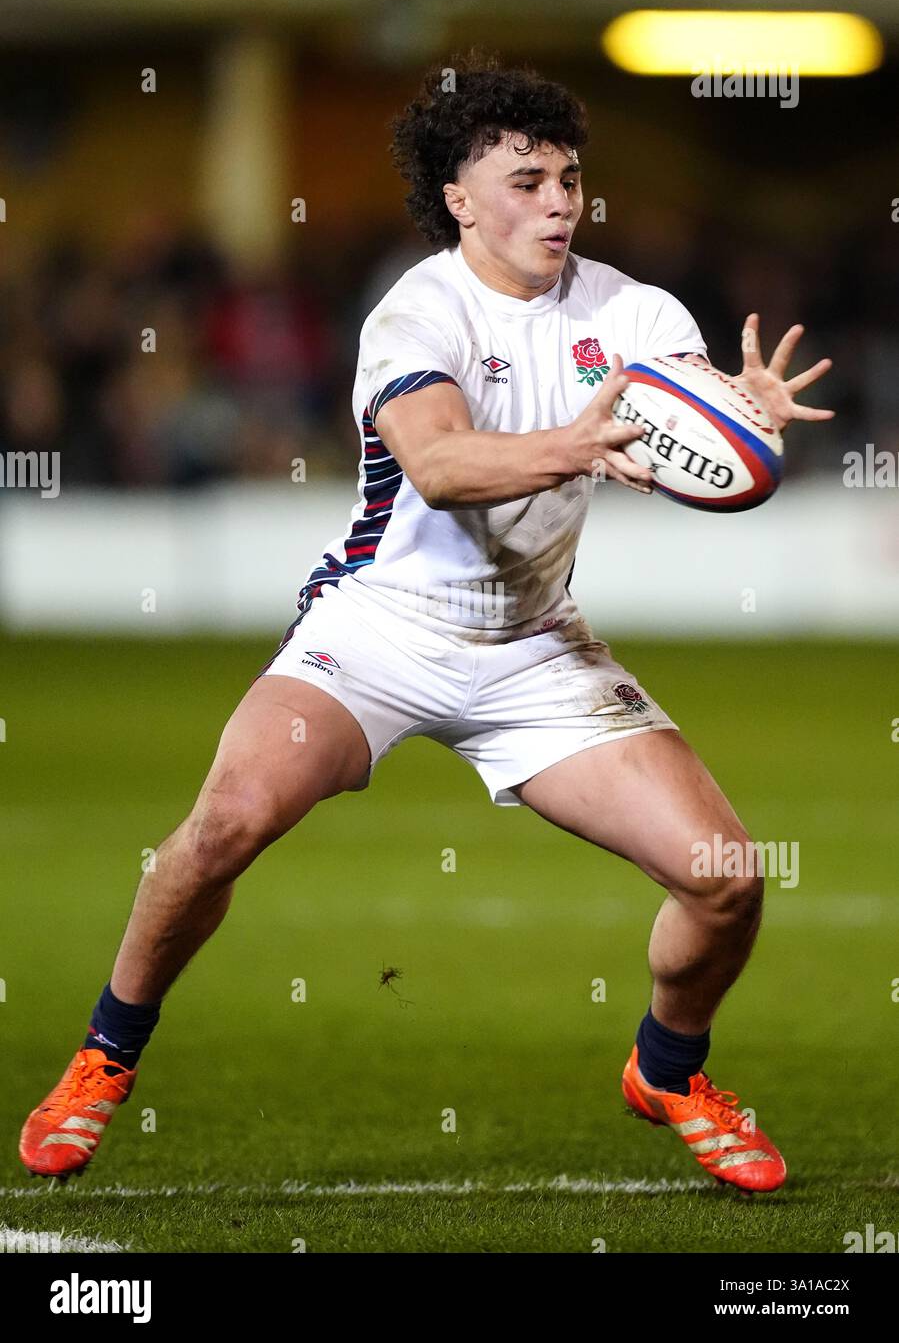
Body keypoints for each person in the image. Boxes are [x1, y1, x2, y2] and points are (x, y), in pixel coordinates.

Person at [20, 58, 833, 1194]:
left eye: (568, 179)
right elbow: (442, 466)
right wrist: (576, 444)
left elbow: (687, 429)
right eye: (526, 182)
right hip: (380, 630)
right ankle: (106, 1056)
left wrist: (743, 426)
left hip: (535, 645)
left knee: (725, 875)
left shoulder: (635, 312)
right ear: (459, 199)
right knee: (221, 826)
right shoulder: (416, 310)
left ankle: (667, 1070)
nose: (558, 203)